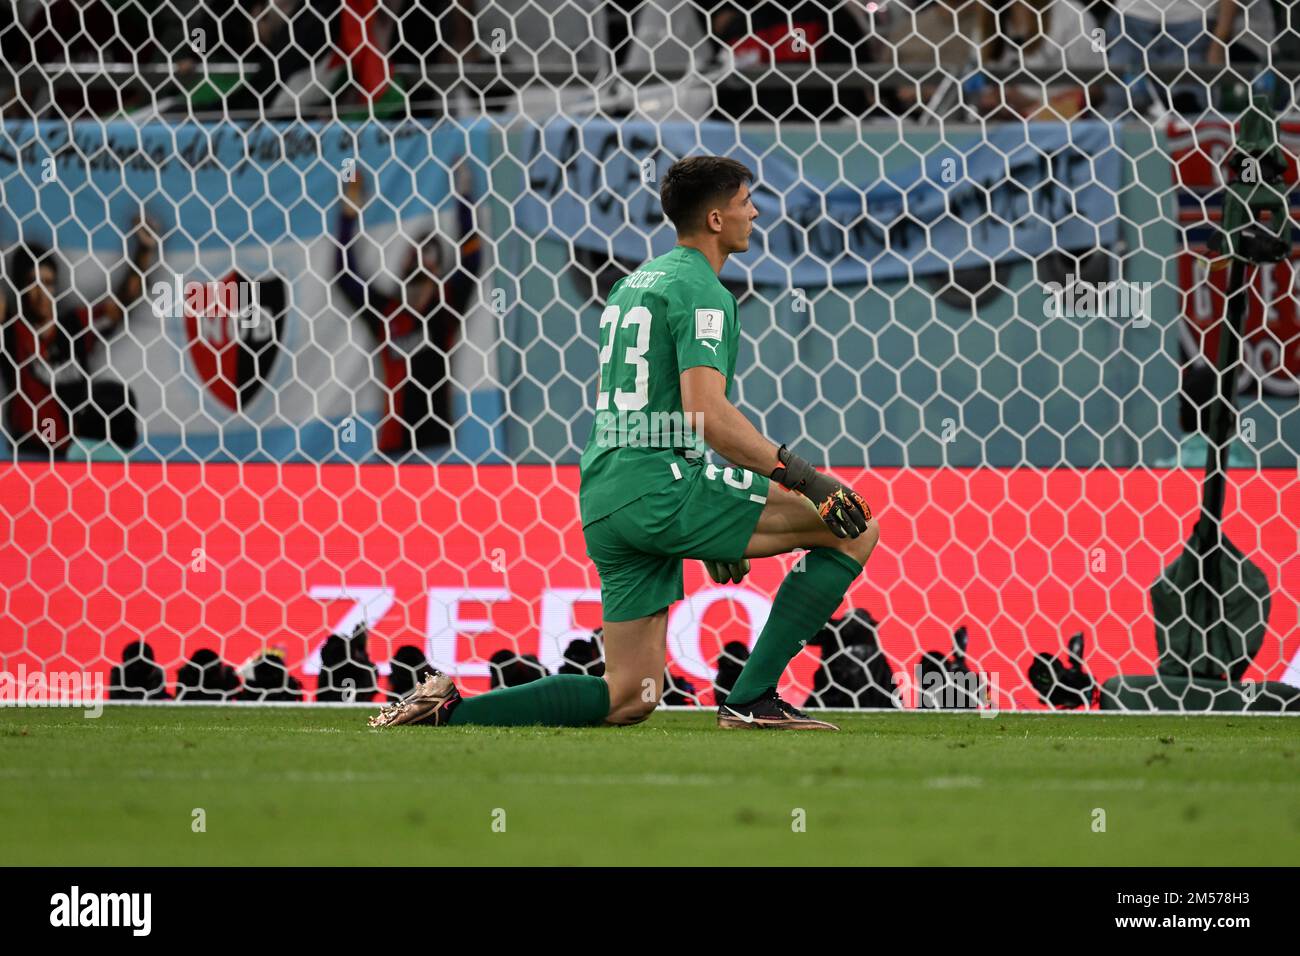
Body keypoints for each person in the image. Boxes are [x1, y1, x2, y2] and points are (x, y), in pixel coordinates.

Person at [370, 156, 881, 732]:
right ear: (715, 219)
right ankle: (753, 696)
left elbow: (652, 404)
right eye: (744, 202)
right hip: (661, 490)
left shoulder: (633, 283)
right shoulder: (704, 293)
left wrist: (713, 523)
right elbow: (706, 413)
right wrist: (803, 478)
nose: (755, 212)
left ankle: (449, 714)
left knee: (629, 695)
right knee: (855, 526)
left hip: (608, 494)